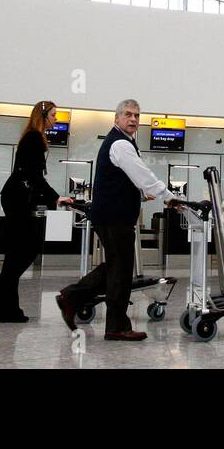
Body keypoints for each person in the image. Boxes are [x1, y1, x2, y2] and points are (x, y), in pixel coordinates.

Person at [56, 99, 176, 341]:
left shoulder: (123, 142)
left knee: (115, 267)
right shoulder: (120, 144)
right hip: (114, 217)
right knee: (119, 270)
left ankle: (74, 298)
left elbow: (130, 178)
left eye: (137, 116)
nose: (133, 119)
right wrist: (168, 196)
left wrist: (142, 193)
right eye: (128, 115)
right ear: (117, 118)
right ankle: (114, 324)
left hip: (112, 215)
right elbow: (143, 174)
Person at [0, 100, 73, 322]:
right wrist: (55, 197)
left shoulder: (32, 137)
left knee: (16, 252)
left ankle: (7, 308)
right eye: (53, 114)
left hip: (16, 197)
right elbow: (34, 175)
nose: (56, 119)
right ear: (42, 115)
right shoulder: (34, 138)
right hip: (18, 200)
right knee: (27, 249)